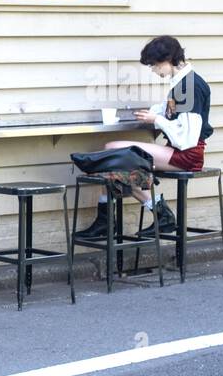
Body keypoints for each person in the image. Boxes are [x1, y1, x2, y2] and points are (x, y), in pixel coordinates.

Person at [76, 36, 214, 239]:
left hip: (187, 154)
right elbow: (172, 114)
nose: (153, 70)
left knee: (113, 149)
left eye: (153, 65)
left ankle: (118, 220)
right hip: (180, 150)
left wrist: (156, 119)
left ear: (167, 59)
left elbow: (187, 138)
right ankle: (155, 215)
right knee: (118, 165)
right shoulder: (182, 82)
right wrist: (154, 114)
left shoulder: (189, 86)